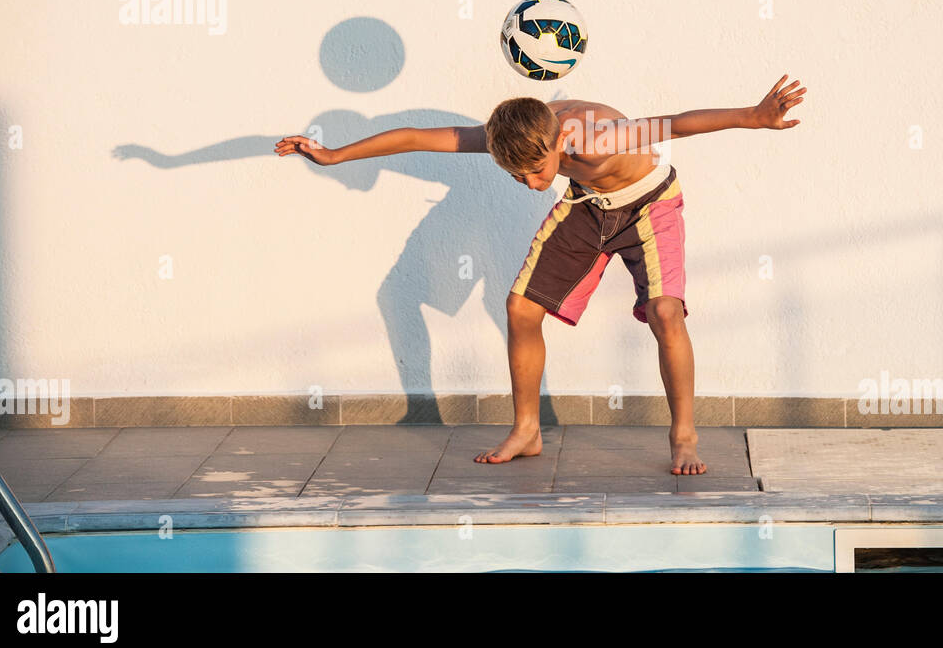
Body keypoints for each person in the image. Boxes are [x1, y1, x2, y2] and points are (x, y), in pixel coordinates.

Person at [276, 74, 805, 474]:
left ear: (559, 144)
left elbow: (677, 123)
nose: (529, 184)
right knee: (520, 308)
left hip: (649, 205)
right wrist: (334, 156)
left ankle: (684, 435)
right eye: (517, 174)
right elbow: (416, 136)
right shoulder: (515, 134)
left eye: (535, 171)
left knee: (666, 312)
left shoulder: (599, 137)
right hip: (587, 206)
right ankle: (527, 430)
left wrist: (754, 117)